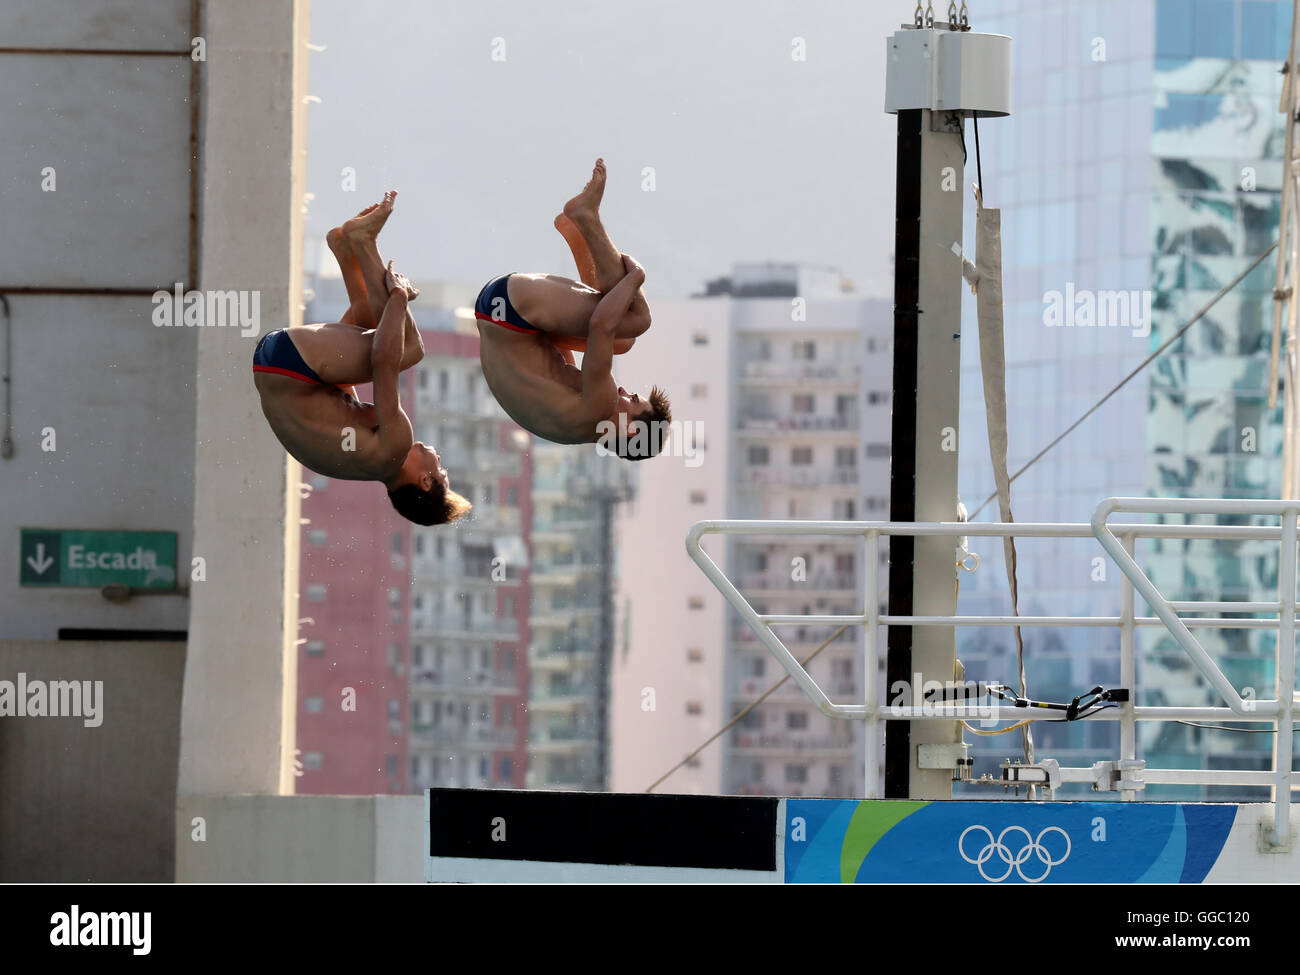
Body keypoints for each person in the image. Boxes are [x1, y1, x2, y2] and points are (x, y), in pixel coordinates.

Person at [253, 194, 471, 525]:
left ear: (426, 482)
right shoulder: (364, 460)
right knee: (374, 319)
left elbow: (384, 359)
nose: (439, 460)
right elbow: (347, 372)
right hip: (274, 363)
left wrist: (399, 297)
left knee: (411, 348)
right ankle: (345, 247)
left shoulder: (396, 447)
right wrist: (389, 312)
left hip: (294, 364)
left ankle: (363, 241)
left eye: (442, 472)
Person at [475, 159, 670, 458]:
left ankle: (586, 218)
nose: (624, 392)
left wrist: (635, 277)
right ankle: (580, 232)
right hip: (494, 311)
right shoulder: (576, 430)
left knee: (637, 319)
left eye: (633, 400)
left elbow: (601, 324)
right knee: (622, 341)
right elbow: (556, 360)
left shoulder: (602, 407)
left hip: (513, 310)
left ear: (632, 429)